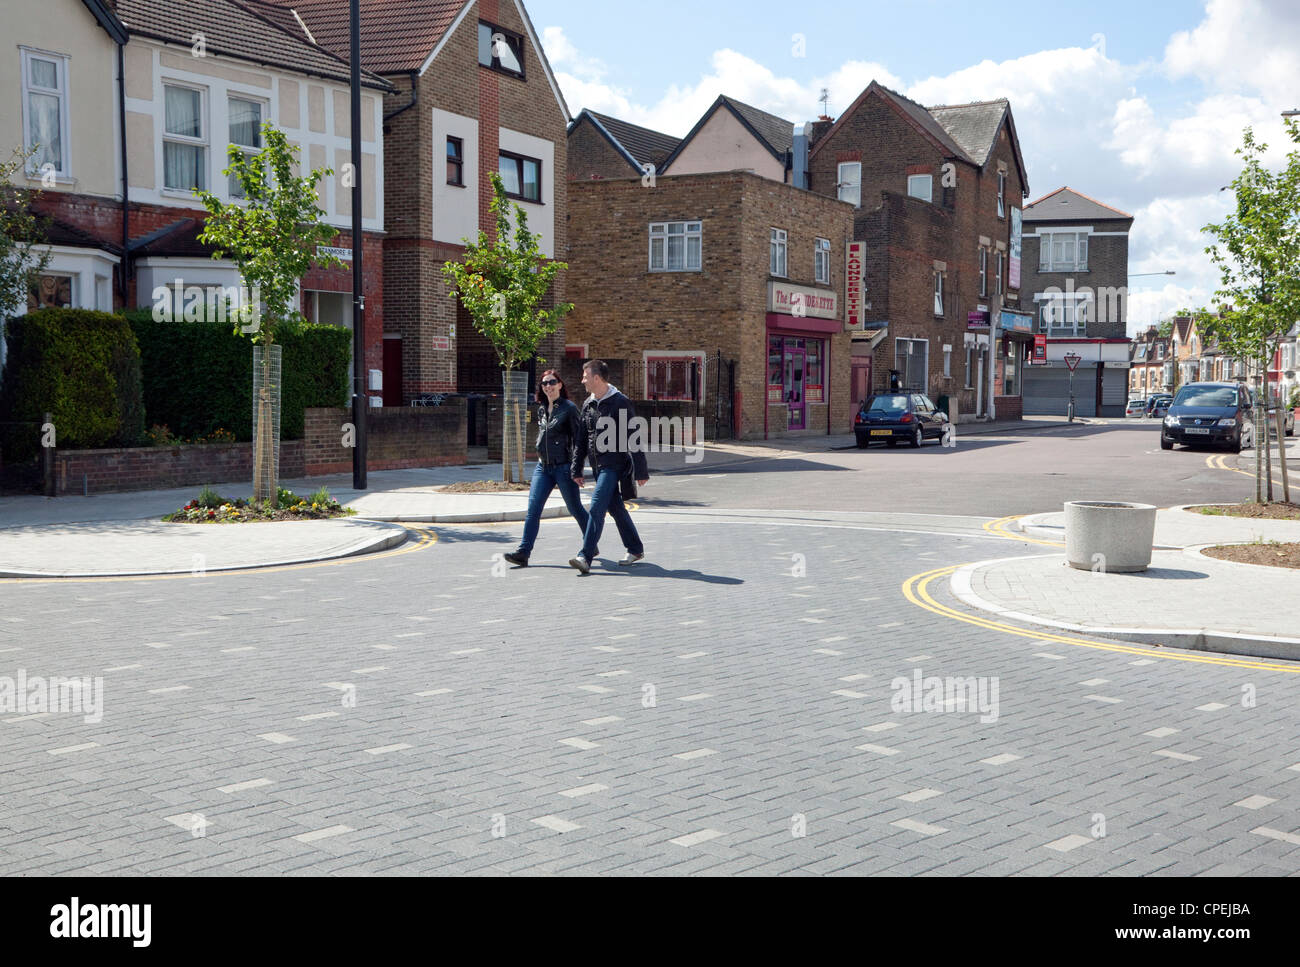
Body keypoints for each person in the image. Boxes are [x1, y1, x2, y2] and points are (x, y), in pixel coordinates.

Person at [502, 370, 590, 567]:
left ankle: (590, 542)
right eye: (544, 384)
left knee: (575, 508)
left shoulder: (568, 408)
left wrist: (577, 469)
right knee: (533, 510)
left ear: (560, 385)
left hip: (563, 467)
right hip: (543, 468)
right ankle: (523, 553)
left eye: (552, 382)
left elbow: (579, 441)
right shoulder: (542, 408)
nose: (548, 386)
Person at [569, 360, 649, 575]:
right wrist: (576, 469)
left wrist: (641, 470)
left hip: (614, 465)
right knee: (616, 508)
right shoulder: (588, 404)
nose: (582, 380)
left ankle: (585, 556)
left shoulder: (620, 403)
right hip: (597, 466)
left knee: (596, 507)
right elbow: (582, 440)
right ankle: (635, 548)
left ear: (597, 378)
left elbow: (634, 436)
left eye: (585, 376)